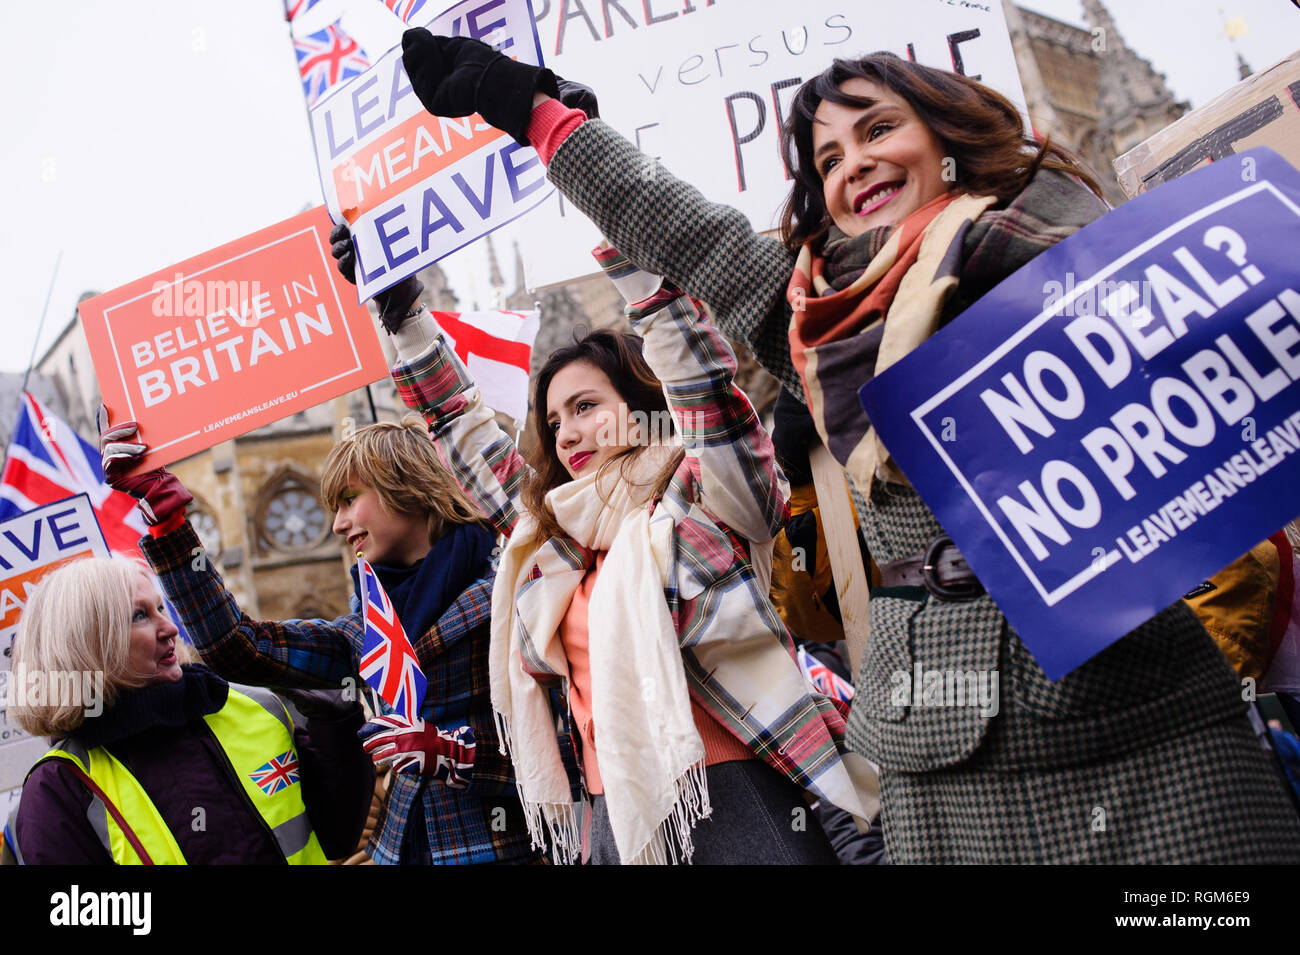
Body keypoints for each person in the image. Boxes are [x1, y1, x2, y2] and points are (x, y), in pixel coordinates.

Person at [398, 32, 1300, 862]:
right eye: (827, 156)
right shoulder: (829, 329)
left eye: (878, 129)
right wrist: (545, 118)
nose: (854, 162)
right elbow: (696, 237)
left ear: (948, 136)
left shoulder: (1082, 257)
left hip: (1137, 722)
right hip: (938, 741)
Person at [328, 229, 876, 864]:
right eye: (554, 421)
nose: (566, 432)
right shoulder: (553, 537)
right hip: (610, 817)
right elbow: (463, 429)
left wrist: (624, 240)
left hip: (727, 796)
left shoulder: (702, 496)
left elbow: (703, 388)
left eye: (586, 406)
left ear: (642, 404)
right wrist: (402, 319)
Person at [100, 409, 536, 865]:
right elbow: (236, 646)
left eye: (350, 500)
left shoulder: (507, 595)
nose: (338, 525)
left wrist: (454, 751)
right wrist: (168, 522)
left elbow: (568, 749)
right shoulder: (367, 627)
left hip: (502, 849)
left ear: (409, 486)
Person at [6, 556, 372, 864]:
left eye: (161, 608)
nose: (169, 628)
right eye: (139, 616)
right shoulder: (61, 787)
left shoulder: (256, 704)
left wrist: (336, 728)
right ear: (86, 644)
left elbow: (338, 838)